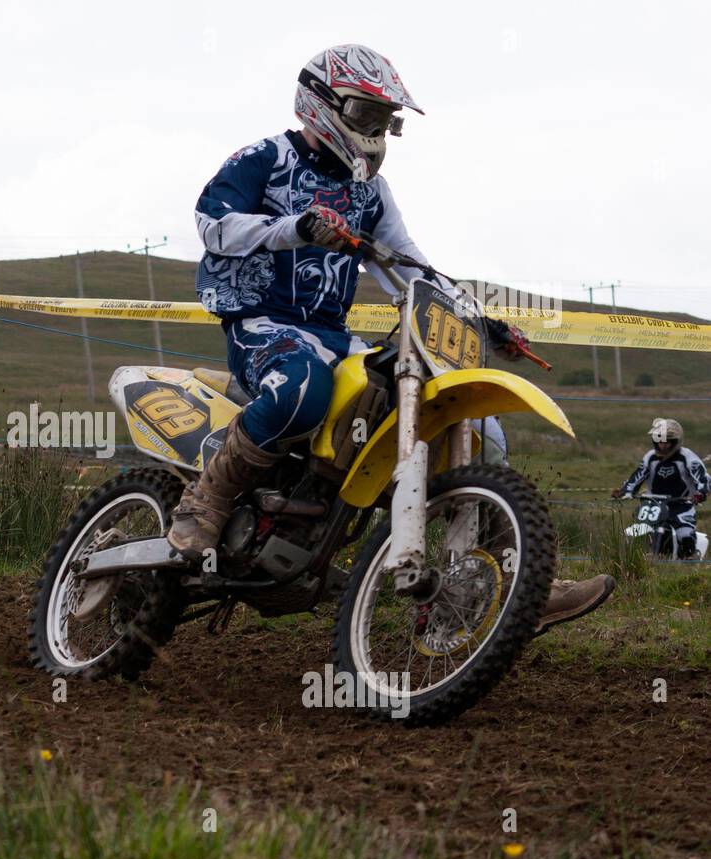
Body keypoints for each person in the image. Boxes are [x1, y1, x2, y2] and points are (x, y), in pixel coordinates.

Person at [171, 43, 614, 633]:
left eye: (386, 122)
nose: (376, 131)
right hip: (264, 324)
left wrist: (480, 319)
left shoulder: (371, 192)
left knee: (481, 429)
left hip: (332, 333)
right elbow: (211, 222)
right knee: (299, 392)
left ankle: (510, 581)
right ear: (322, 102)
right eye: (366, 116)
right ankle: (207, 499)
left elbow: (409, 265)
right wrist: (294, 228)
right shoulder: (265, 158)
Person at [612, 418, 708, 559]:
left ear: (675, 442)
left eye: (667, 442)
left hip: (681, 507)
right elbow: (637, 476)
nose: (663, 446)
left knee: (684, 534)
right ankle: (632, 559)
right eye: (659, 442)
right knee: (633, 531)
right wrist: (625, 491)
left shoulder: (688, 458)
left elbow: (702, 478)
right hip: (654, 506)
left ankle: (690, 560)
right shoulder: (650, 457)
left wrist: (700, 494)